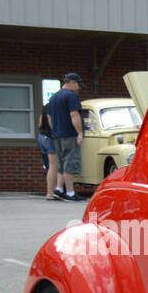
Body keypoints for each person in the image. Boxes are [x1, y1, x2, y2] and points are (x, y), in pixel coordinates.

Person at [47, 72, 84, 202]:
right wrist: (79, 132)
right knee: (70, 162)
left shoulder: (54, 97)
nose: (79, 88)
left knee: (61, 163)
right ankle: (70, 192)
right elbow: (74, 114)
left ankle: (59, 189)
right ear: (72, 83)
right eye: (78, 84)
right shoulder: (71, 96)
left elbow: (49, 118)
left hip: (57, 135)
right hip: (70, 134)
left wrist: (55, 130)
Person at [36, 112, 59, 200]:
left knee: (48, 166)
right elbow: (50, 119)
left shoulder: (45, 107)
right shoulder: (52, 107)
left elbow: (40, 122)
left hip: (41, 137)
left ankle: (52, 191)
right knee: (53, 166)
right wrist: (55, 133)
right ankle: (51, 193)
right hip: (49, 137)